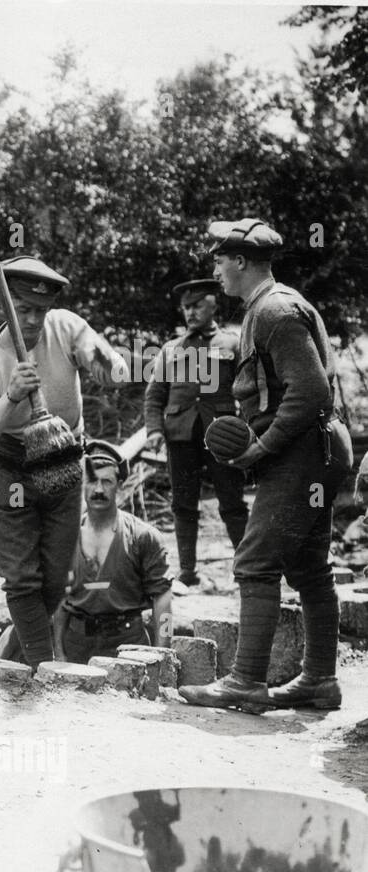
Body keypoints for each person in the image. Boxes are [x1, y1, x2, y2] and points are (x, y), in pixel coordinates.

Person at [180, 219, 352, 712]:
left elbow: (311, 390)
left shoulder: (274, 311)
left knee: (255, 562)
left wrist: (261, 447)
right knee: (310, 568)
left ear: (240, 261)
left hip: (301, 453)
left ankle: (246, 681)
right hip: (315, 451)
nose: (214, 269)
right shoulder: (267, 308)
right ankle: (319, 681)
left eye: (219, 259)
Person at [0, 255, 129, 668]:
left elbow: (103, 360)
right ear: (6, 306)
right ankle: (41, 664)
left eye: (40, 310)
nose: (33, 320)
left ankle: (11, 650)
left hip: (62, 462)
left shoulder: (65, 327)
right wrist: (12, 395)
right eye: (24, 311)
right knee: (21, 577)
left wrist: (111, 365)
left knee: (56, 578)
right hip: (13, 471)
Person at [144, 278, 248, 591]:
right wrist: (153, 431)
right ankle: (187, 573)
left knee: (232, 502)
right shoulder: (171, 349)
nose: (190, 312)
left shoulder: (232, 343)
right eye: (186, 307)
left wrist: (248, 429)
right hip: (180, 436)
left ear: (214, 304)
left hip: (222, 437)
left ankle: (245, 570)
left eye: (197, 305)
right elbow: (154, 395)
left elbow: (249, 388)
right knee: (183, 505)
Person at [53, 441, 173, 664]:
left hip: (127, 645)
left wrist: (162, 654)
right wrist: (58, 651)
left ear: (119, 484)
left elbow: (163, 597)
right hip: (76, 643)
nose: (98, 490)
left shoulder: (143, 536)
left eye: (106, 482)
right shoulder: (65, 537)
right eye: (91, 481)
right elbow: (60, 598)